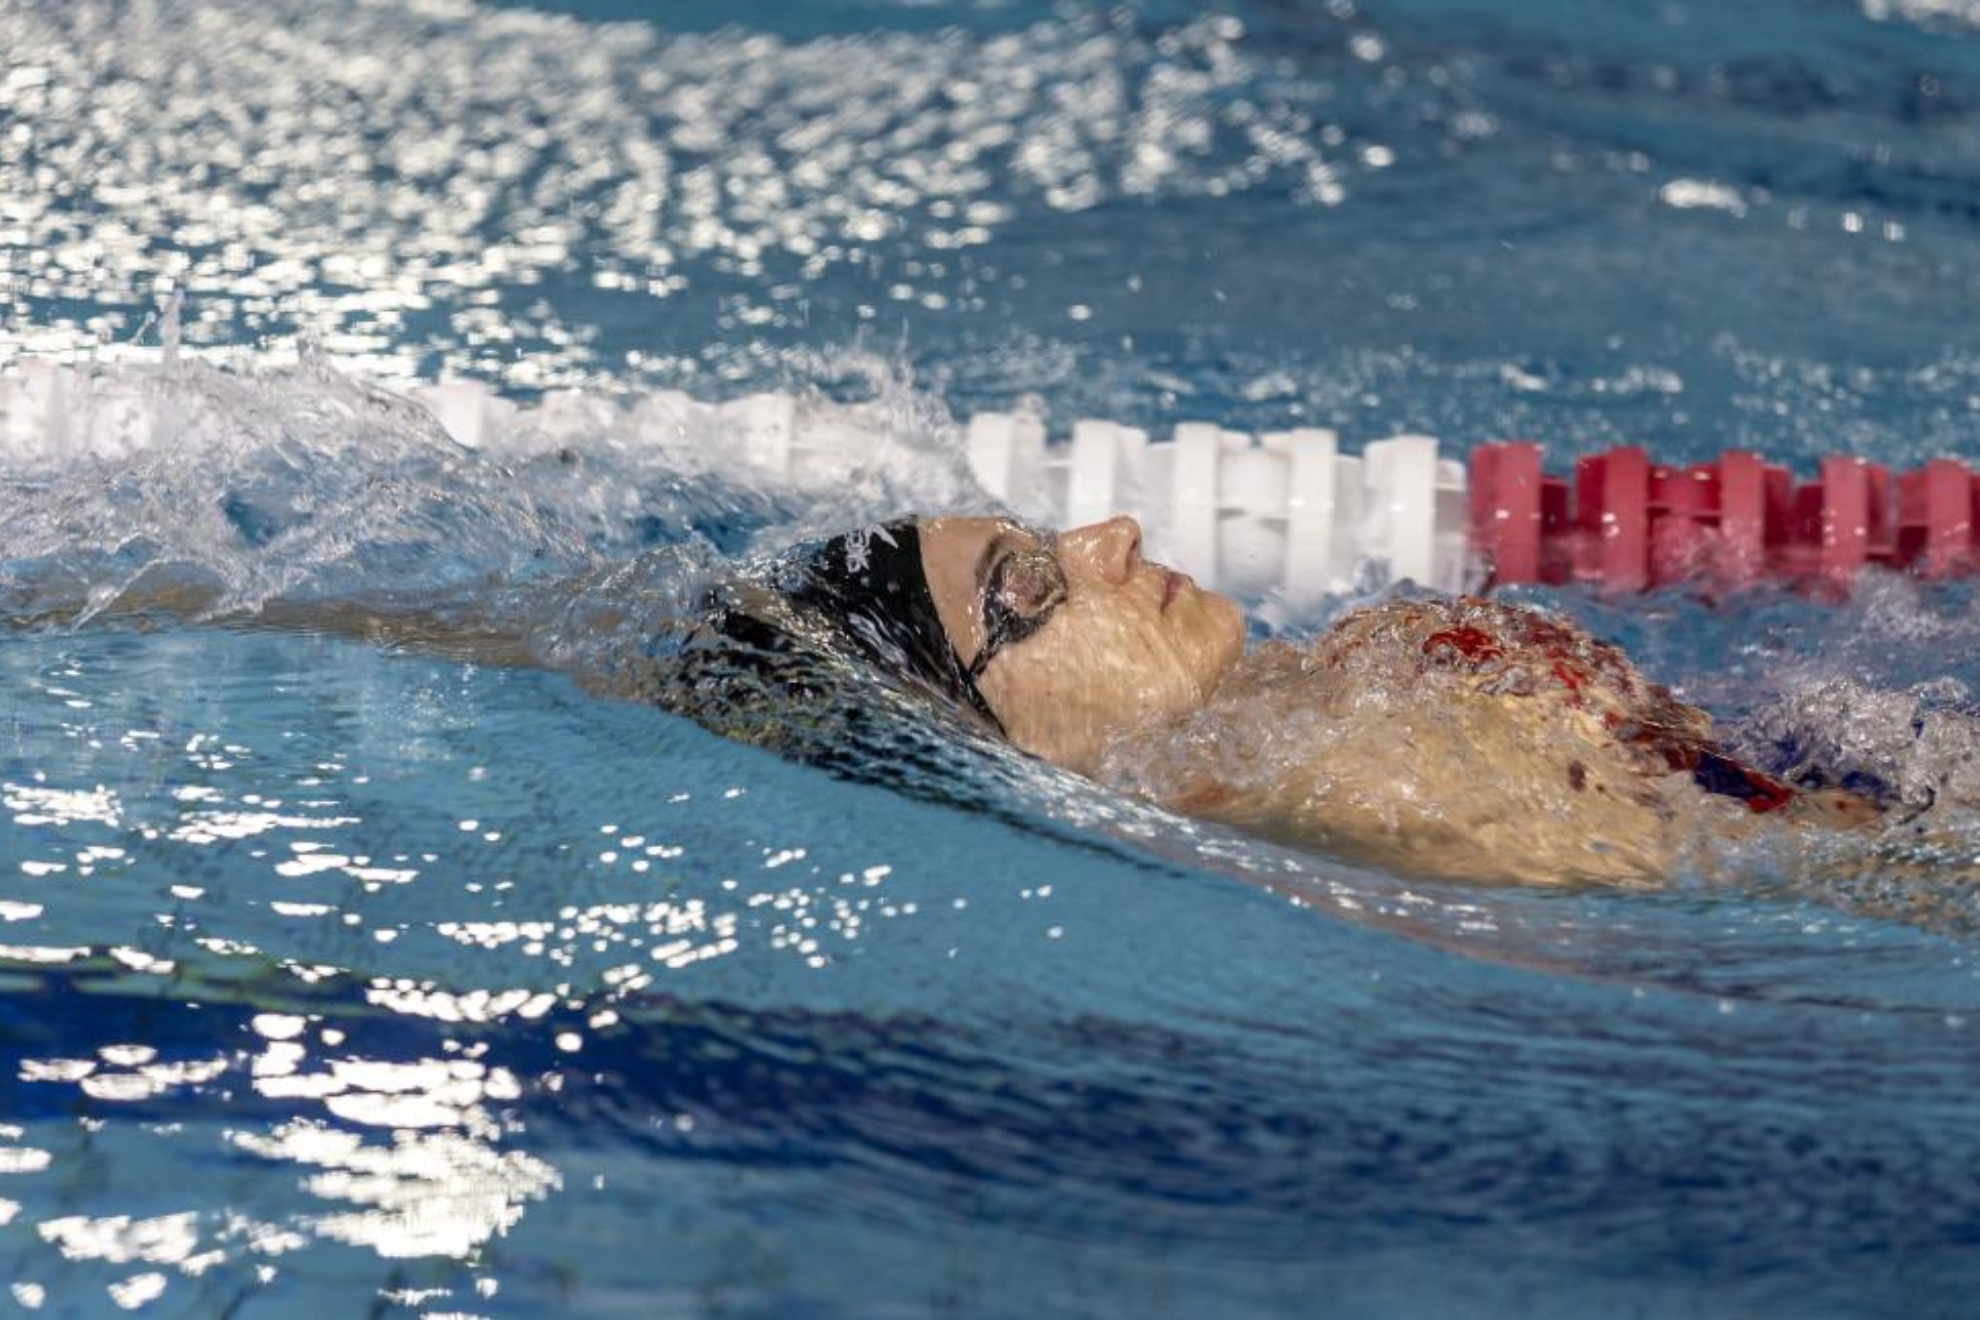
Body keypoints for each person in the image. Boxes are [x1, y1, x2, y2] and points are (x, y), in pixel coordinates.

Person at [656, 513, 1885, 887]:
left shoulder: (1299, 710)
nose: (1112, 535)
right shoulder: (1341, 789)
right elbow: (1823, 875)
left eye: (1042, 535)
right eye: (1027, 584)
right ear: (978, 735)